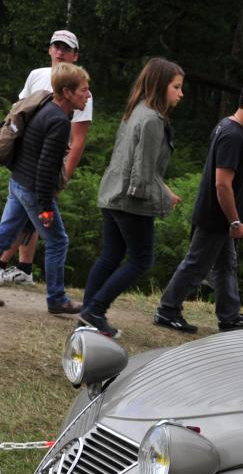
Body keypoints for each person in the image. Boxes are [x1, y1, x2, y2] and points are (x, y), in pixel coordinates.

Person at [0, 63, 90, 313]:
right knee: (58, 241)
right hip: (32, 189)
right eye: (83, 90)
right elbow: (46, 168)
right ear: (66, 92)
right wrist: (45, 208)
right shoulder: (59, 121)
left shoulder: (45, 107)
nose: (88, 95)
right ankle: (57, 299)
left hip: (18, 181)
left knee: (2, 234)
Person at [153, 81, 243, 334]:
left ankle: (229, 316)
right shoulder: (233, 135)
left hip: (220, 217)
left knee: (225, 266)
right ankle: (167, 309)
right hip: (216, 217)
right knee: (196, 265)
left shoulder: (227, 127)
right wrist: (235, 221)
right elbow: (222, 184)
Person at [77, 58, 185, 338]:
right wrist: (151, 201)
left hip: (112, 193)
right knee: (141, 259)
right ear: (161, 86)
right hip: (129, 200)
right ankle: (95, 311)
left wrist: (164, 191)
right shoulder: (152, 119)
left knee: (111, 255)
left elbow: (137, 163)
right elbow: (142, 171)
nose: (180, 94)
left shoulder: (137, 110)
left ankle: (88, 314)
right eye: (176, 87)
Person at [0, 30, 94, 288]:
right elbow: (16, 114)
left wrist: (63, 177)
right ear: (49, 49)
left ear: (75, 55)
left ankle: (2, 267)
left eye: (66, 49)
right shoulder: (36, 75)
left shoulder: (81, 89)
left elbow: (78, 139)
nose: (60, 52)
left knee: (27, 216)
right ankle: (22, 268)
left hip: (49, 162)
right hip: (25, 158)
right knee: (26, 215)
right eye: (56, 47)